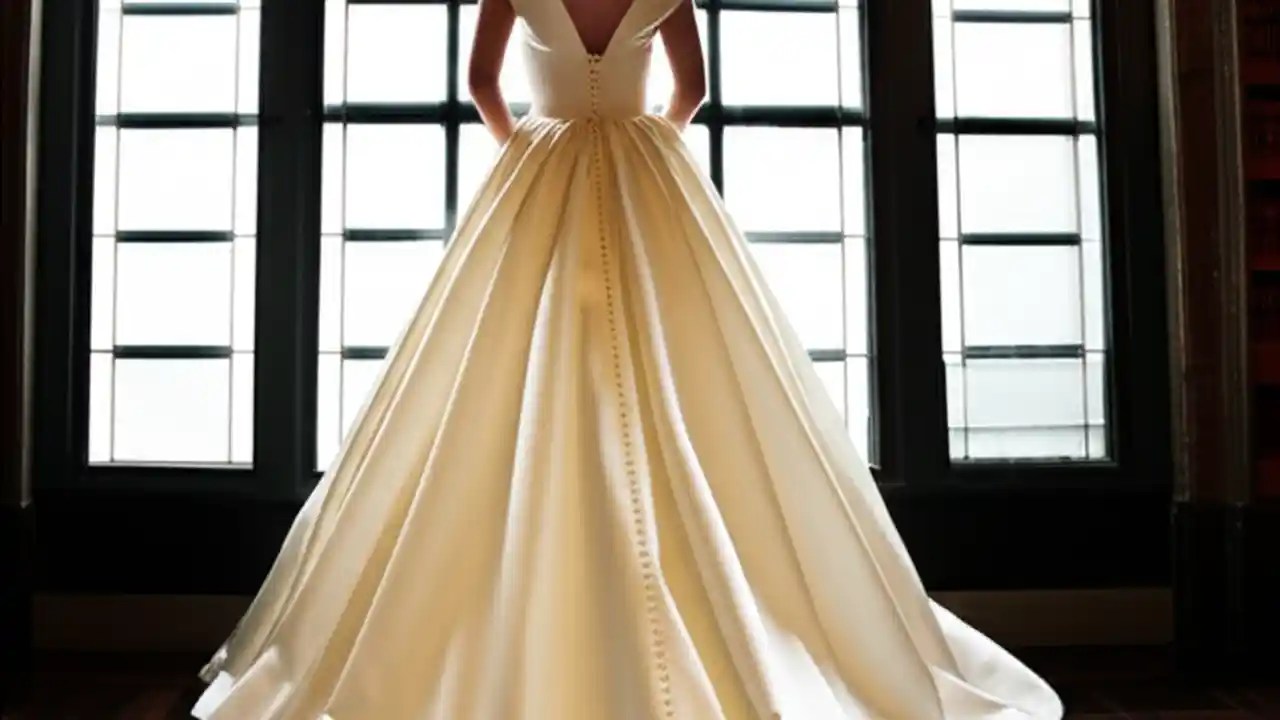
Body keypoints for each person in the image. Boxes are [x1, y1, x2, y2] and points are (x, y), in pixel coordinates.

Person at [191, 0, 1064, 717]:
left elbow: (479, 84)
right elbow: (693, 88)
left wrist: (526, 143)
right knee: (674, 371)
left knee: (523, 371)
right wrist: (648, 138)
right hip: (647, 174)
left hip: (545, 162)